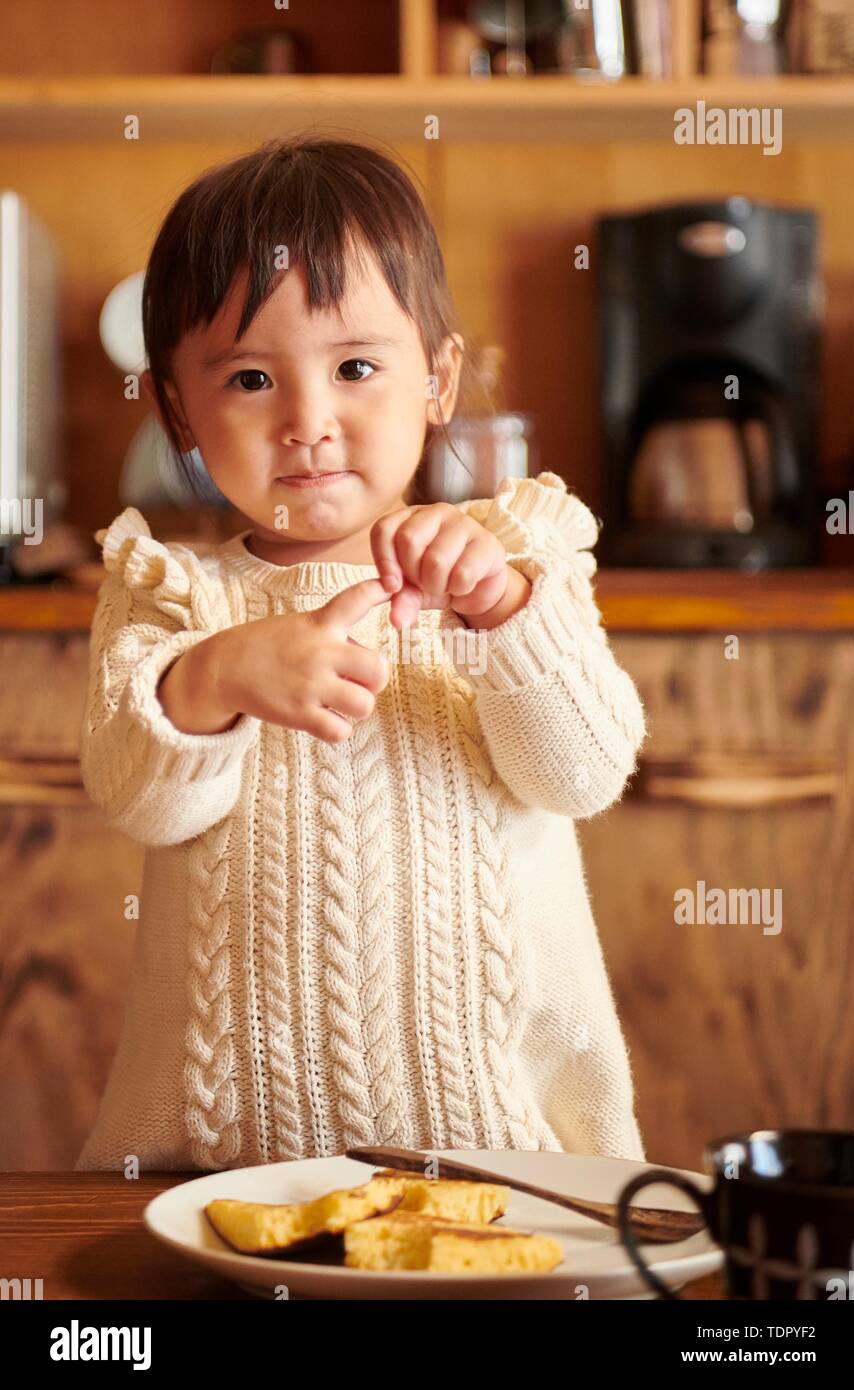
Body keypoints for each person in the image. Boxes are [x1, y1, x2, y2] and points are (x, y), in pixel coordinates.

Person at [75, 136, 648, 1173]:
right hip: (221, 1166)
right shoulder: (173, 593)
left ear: (437, 380)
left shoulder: (517, 555)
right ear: (178, 412)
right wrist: (214, 676)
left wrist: (503, 613)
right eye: (250, 377)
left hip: (509, 1162)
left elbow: (583, 769)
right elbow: (141, 796)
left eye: (353, 367)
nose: (308, 421)